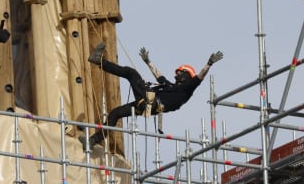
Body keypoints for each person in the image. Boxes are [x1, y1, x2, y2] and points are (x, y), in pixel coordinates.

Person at [85, 44, 222, 145]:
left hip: (150, 101)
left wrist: (209, 63)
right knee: (115, 113)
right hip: (146, 104)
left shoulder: (187, 89)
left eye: (180, 73)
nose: (176, 75)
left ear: (187, 76)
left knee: (131, 73)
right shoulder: (170, 87)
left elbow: (199, 77)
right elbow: (159, 76)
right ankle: (93, 140)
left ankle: (99, 61)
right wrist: (147, 61)